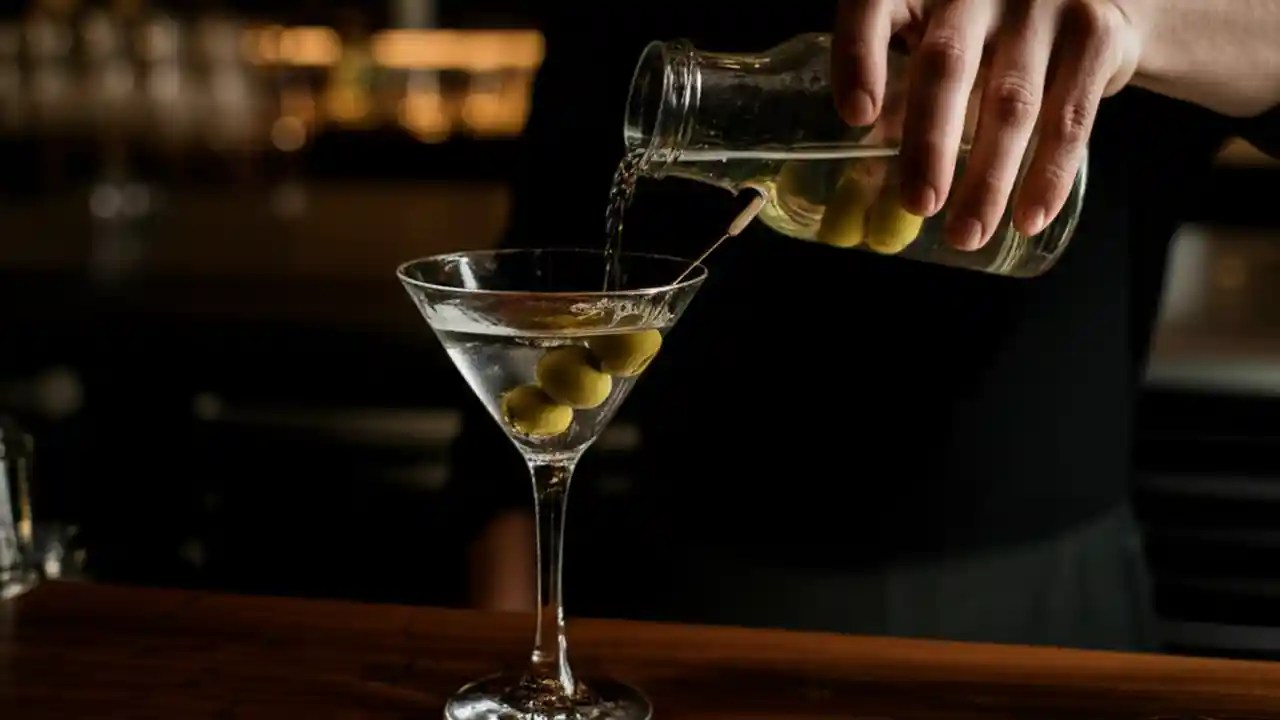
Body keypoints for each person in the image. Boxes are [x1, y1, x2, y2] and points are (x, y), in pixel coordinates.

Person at [444, 0, 1280, 652]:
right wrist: (514, 648)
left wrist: (1139, 19)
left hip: (1050, 598)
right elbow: (524, 336)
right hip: (701, 593)